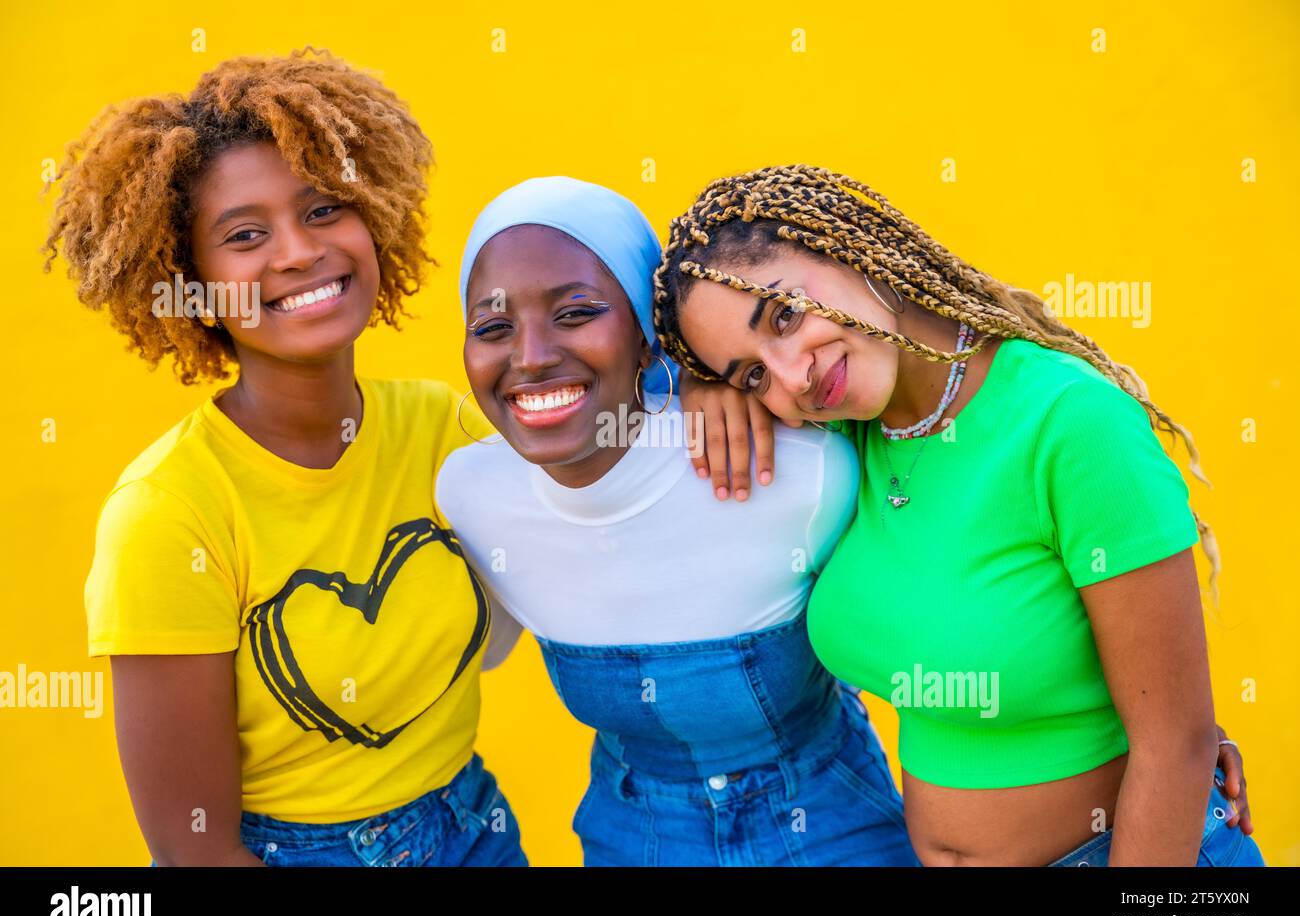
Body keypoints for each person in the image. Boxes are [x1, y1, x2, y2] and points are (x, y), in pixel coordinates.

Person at [652, 163, 1264, 866]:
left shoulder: (1068, 422)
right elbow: (608, 373)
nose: (792, 376)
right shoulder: (849, 438)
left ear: (847, 244)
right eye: (754, 373)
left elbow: (1176, 745)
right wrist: (701, 386)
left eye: (786, 316)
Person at [46, 49, 524, 867]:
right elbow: (193, 852)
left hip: (475, 826)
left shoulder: (440, 426)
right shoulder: (170, 512)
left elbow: (603, 507)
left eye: (325, 209)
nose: (298, 252)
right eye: (244, 235)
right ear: (188, 280)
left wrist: (708, 393)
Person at [436, 176, 919, 865]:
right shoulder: (471, 496)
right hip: (630, 842)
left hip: (834, 835)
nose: (532, 355)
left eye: (575, 313)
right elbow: (478, 653)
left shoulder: (803, 471)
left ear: (645, 334)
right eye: (491, 326)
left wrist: (709, 377)